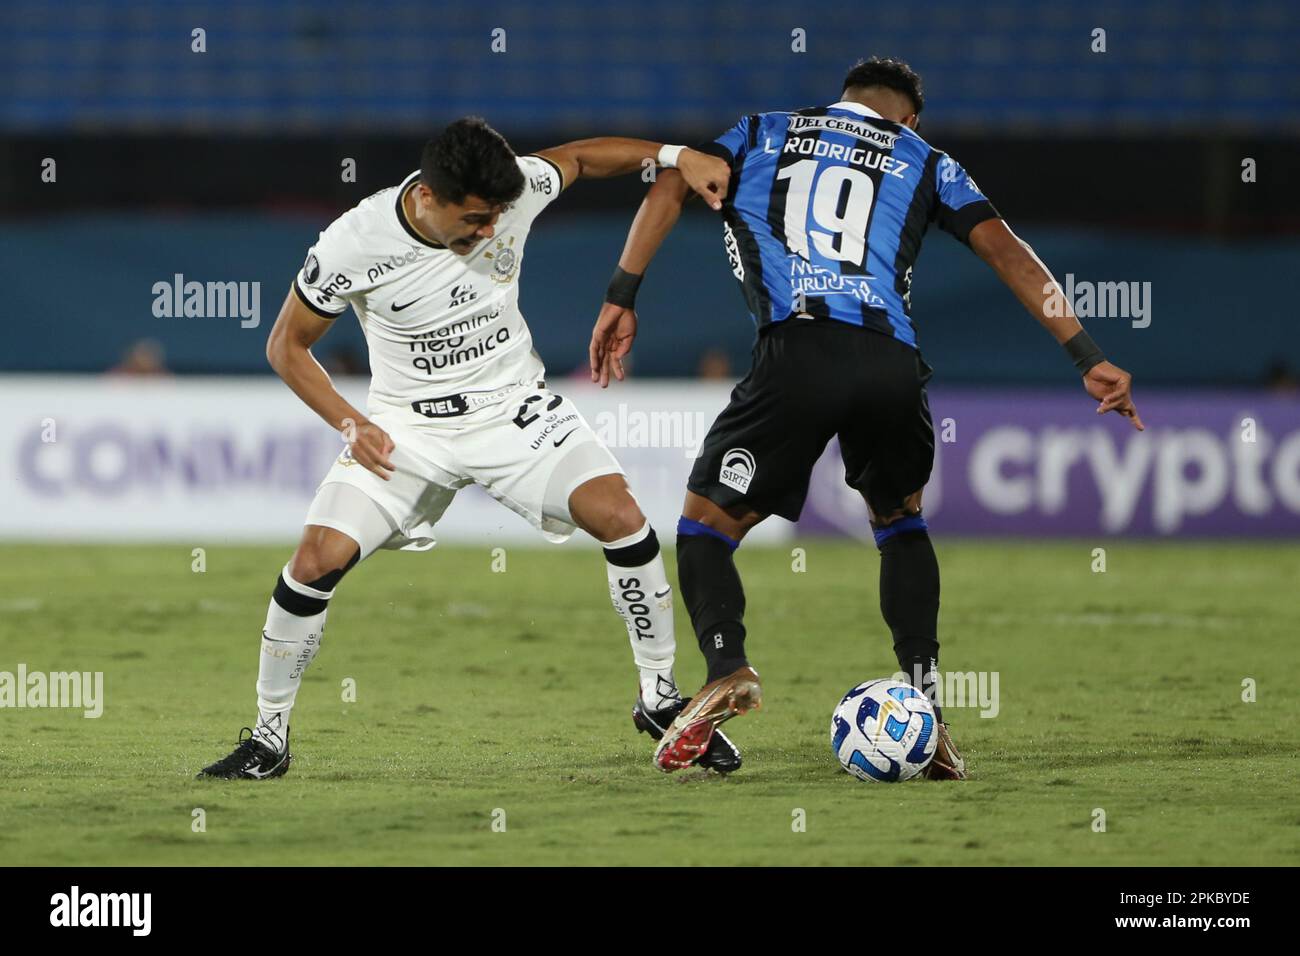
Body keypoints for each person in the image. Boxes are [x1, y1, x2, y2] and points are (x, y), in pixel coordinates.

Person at [589, 57, 1144, 777]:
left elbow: (670, 180)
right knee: (900, 522)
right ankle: (927, 709)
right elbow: (1007, 249)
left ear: (844, 99)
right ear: (907, 117)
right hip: (892, 361)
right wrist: (1085, 354)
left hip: (799, 350)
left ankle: (728, 668)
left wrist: (622, 294)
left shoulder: (760, 132)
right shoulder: (926, 159)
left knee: (706, 527)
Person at [198, 117, 741, 779]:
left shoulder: (513, 192)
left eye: (497, 217)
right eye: (477, 219)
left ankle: (658, 698)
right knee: (314, 562)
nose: (491, 231)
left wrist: (676, 153)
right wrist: (350, 422)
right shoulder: (355, 241)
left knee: (625, 522)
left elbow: (578, 158)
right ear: (428, 197)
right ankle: (268, 739)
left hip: (513, 412)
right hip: (407, 432)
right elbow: (287, 345)